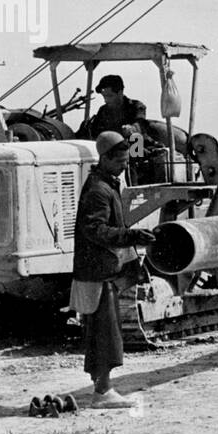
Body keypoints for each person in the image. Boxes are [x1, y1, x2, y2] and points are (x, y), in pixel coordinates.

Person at [71, 130, 157, 409]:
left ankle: (102, 388)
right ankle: (103, 391)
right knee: (105, 334)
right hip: (99, 273)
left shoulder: (104, 184)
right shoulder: (99, 190)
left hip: (100, 271)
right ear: (105, 158)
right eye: (120, 162)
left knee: (103, 333)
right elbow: (95, 230)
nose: (124, 166)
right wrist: (132, 236)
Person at [79, 74, 149, 140]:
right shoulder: (103, 110)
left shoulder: (136, 106)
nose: (106, 100)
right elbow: (94, 131)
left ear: (120, 93)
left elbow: (141, 124)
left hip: (135, 148)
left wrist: (131, 129)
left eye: (110, 96)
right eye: (104, 96)